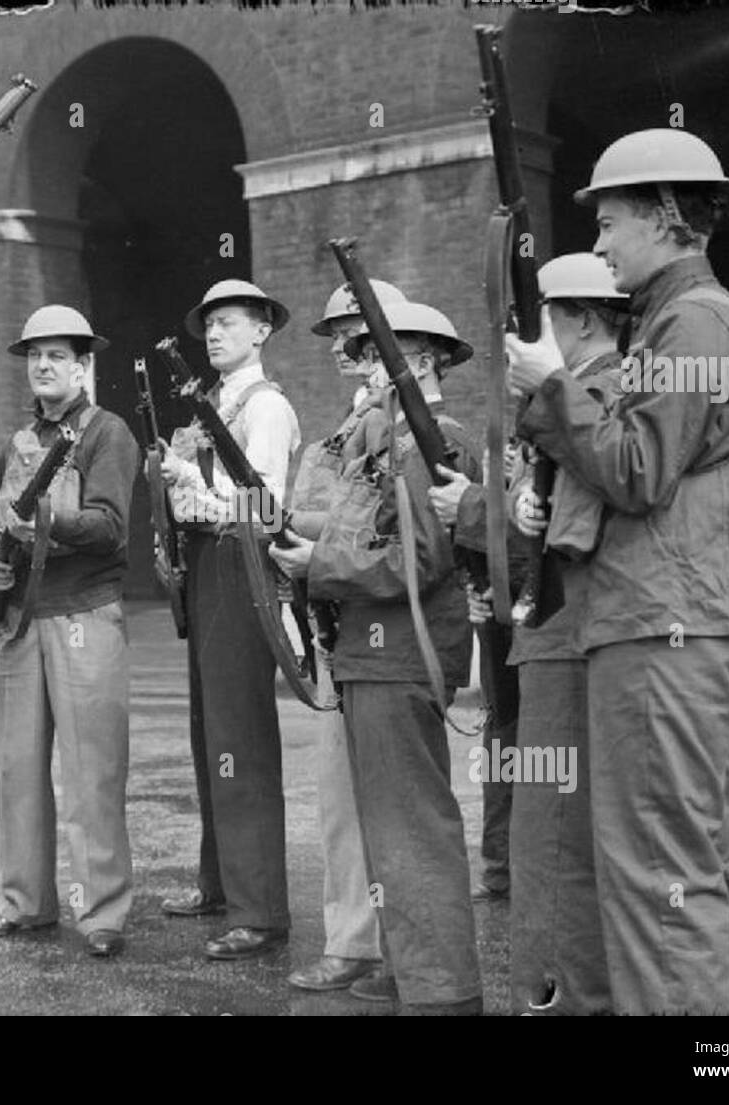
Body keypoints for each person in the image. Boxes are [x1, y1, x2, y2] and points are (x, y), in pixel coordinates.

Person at [505, 129, 729, 1015]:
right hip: (696, 617)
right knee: (704, 863)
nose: (599, 245)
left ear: (667, 218)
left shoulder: (690, 318)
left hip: (665, 622)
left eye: (611, 222)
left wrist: (554, 386)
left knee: (657, 877)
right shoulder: (696, 317)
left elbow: (636, 468)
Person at [271, 301, 482, 1014]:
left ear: (417, 360)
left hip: (400, 655)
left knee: (411, 825)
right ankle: (410, 967)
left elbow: (417, 559)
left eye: (369, 351)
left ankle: (440, 988)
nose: (356, 365)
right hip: (371, 653)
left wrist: (317, 564)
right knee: (391, 828)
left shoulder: (430, 439)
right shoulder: (384, 439)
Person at [432, 252, 628, 1014]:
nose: (519, 343)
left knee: (551, 835)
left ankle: (557, 997)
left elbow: (553, 532)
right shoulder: (583, 396)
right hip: (551, 638)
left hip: (565, 642)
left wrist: (475, 511)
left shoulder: (589, 395)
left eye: (536, 321)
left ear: (577, 319)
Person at [0, 305, 139, 959]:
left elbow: (110, 526)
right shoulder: (19, 442)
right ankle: (26, 903)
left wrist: (46, 521)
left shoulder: (107, 433)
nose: (43, 365)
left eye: (58, 355)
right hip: (22, 618)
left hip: (83, 613)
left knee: (92, 770)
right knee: (17, 769)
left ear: (84, 366)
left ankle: (101, 911)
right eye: (35, 355)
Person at [158, 279, 300, 961]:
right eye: (209, 323)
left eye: (230, 323)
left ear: (262, 330)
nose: (214, 334)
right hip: (206, 569)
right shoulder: (209, 403)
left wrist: (194, 487)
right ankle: (219, 880)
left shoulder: (265, 407)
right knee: (207, 729)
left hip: (242, 565)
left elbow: (263, 506)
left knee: (239, 732)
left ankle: (260, 907)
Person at [284, 279, 405, 993]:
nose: (342, 346)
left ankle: (397, 946)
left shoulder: (398, 422)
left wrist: (315, 530)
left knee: (389, 799)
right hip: (340, 623)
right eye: (335, 334)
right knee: (339, 794)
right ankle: (354, 939)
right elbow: (308, 511)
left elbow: (374, 525)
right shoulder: (348, 421)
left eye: (356, 331)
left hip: (384, 627)